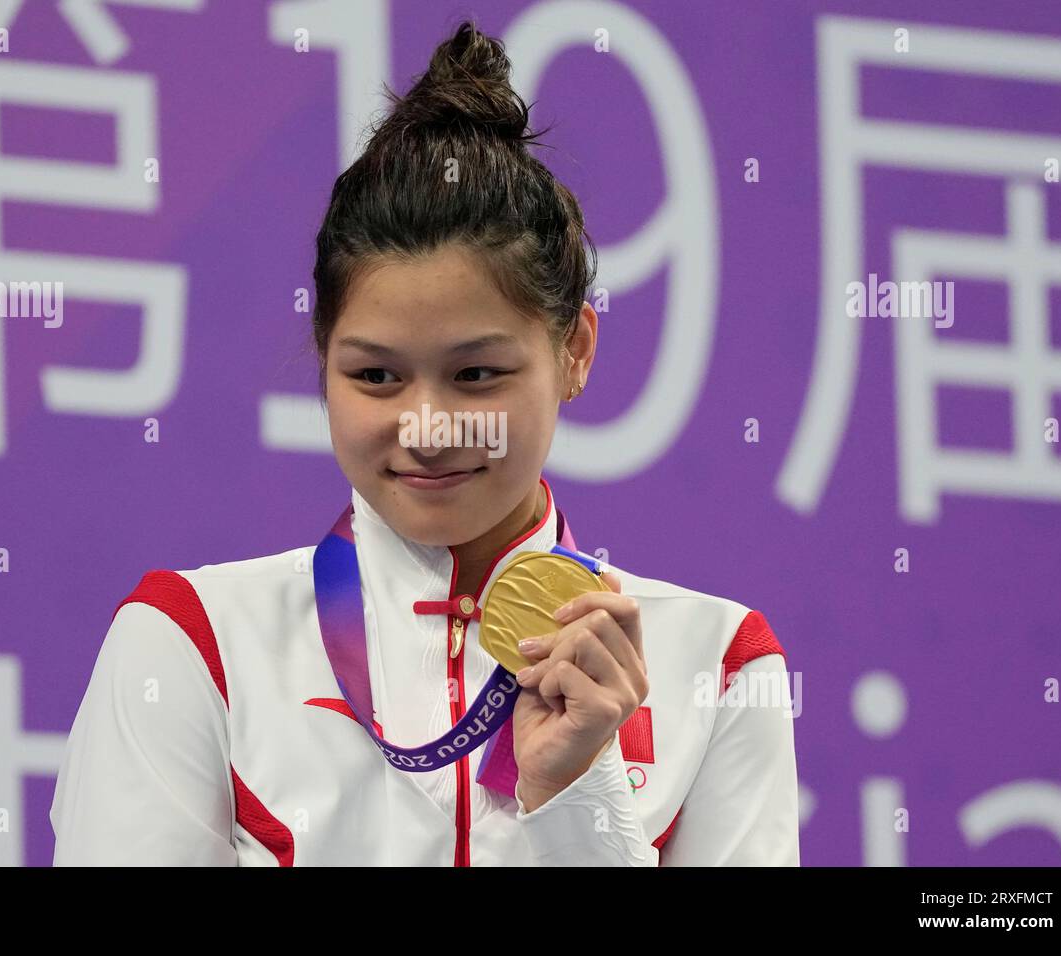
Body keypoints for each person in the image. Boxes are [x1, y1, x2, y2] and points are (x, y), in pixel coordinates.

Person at [49, 19, 799, 867]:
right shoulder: (193, 644)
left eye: (477, 376)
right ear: (324, 362)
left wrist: (581, 797)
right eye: (376, 378)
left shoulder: (721, 664)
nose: (429, 428)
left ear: (575, 351)